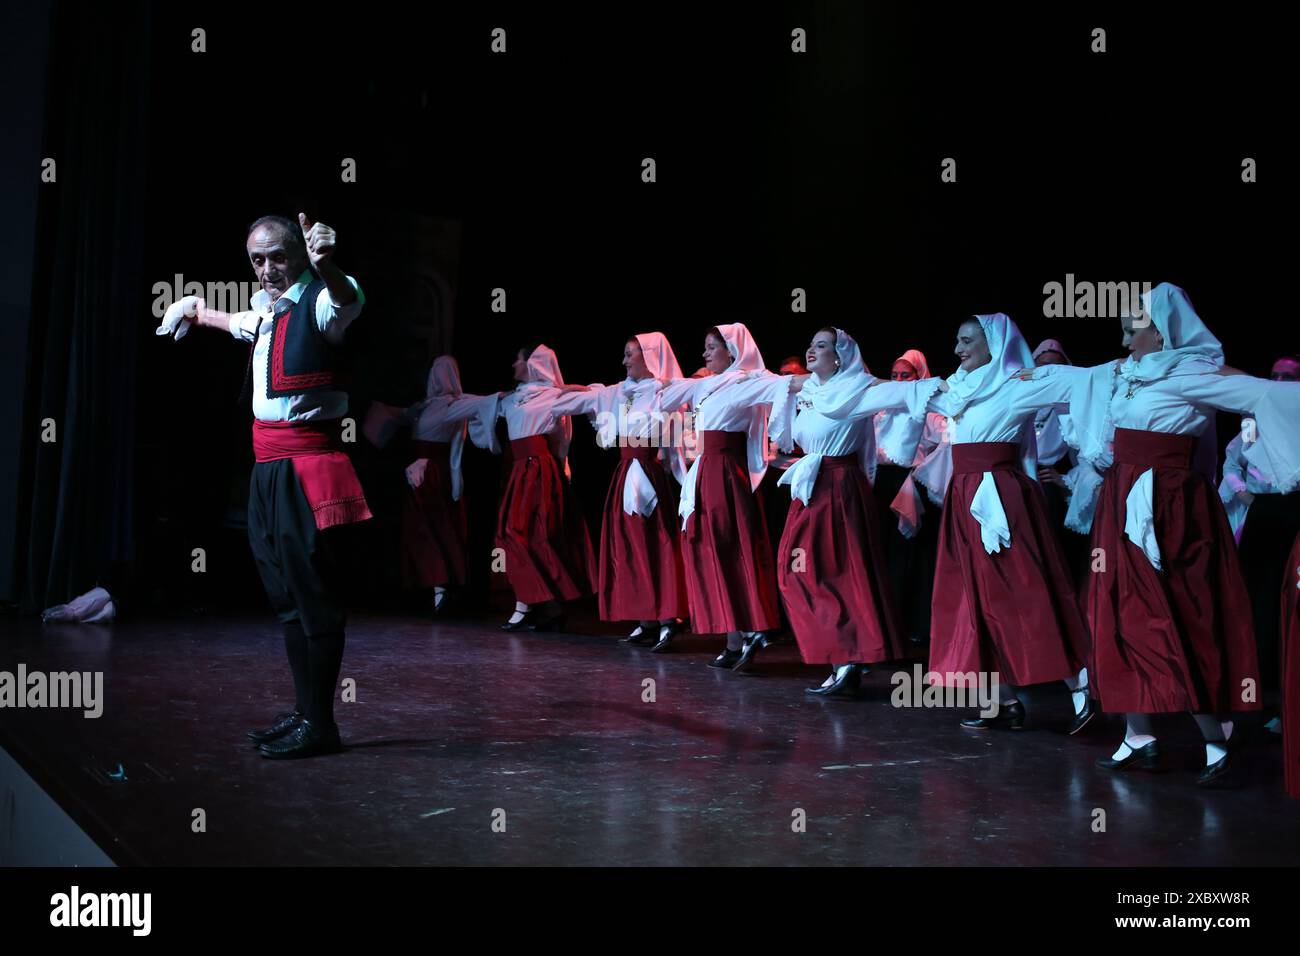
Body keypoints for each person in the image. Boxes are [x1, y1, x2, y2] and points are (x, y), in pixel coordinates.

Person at [1018, 283, 1300, 784]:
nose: (1124, 341)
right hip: (1121, 500)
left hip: (1165, 504)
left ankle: (1214, 736)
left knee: (1162, 614)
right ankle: (1138, 734)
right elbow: (1071, 378)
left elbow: (1262, 393)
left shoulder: (1193, 374)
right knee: (1113, 609)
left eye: (1131, 331)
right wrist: (1013, 377)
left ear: (1160, 330)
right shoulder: (1125, 374)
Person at [156, 213, 367, 759]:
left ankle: (322, 723)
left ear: (299, 253)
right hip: (267, 470)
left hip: (306, 469)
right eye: (257, 259)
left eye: (278, 256)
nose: (268, 268)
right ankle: (304, 713)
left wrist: (330, 267)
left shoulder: (321, 302)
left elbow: (345, 301)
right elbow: (239, 323)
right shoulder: (267, 313)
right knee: (286, 598)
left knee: (314, 596)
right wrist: (196, 311)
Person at [827, 314, 1092, 731]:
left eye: (967, 340)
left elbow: (1087, 382)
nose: (957, 349)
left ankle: (1080, 684)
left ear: (994, 344)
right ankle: (1002, 701)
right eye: (956, 341)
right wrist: (840, 387)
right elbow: (897, 394)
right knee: (973, 598)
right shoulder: (955, 389)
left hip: (1003, 497)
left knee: (1025, 591)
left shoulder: (1019, 383)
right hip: (964, 497)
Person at [768, 328, 938, 696]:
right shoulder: (809, 389)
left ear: (840, 356)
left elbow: (909, 392)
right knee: (795, 571)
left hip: (838, 486)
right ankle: (843, 656)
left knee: (835, 572)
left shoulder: (860, 389)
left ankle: (847, 658)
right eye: (810, 344)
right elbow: (758, 385)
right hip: (811, 486)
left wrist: (961, 388)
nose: (812, 351)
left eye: (822, 346)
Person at [547, 334, 690, 650]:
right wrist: (550, 392)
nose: (624, 361)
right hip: (625, 472)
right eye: (624, 355)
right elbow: (587, 397)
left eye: (630, 355)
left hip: (648, 472)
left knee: (655, 544)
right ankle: (646, 618)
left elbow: (681, 427)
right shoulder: (622, 393)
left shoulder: (663, 391)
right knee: (629, 545)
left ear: (649, 357)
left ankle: (669, 618)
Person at [654, 324, 782, 671]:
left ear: (732, 351)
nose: (705, 353)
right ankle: (734, 638)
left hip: (727, 472)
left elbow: (786, 386)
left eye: (712, 347)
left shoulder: (747, 381)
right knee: (709, 548)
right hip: (706, 471)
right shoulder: (704, 386)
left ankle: (753, 628)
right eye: (706, 347)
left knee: (730, 546)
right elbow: (663, 395)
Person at [453, 344, 596, 631]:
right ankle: (545, 605)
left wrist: (570, 388)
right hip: (520, 470)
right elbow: (474, 404)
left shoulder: (551, 397)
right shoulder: (512, 399)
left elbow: (593, 396)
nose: (513, 365)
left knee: (525, 535)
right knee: (510, 536)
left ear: (532, 365)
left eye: (518, 360)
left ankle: (530, 606)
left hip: (539, 470)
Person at [872, 349, 947, 645]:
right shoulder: (882, 408)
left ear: (919, 377)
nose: (900, 381)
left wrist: (923, 474)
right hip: (882, 484)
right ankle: (889, 625)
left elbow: (947, 442)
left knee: (915, 556)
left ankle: (917, 624)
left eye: (906, 375)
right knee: (885, 554)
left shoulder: (929, 411)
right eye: (895, 376)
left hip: (914, 483)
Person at [401, 356, 469, 616]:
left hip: (432, 474)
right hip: (416, 473)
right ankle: (428, 589)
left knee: (431, 529)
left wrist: (455, 482)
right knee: (418, 530)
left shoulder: (454, 406)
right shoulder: (424, 406)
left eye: (440, 371)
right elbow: (401, 418)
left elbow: (456, 448)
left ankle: (440, 589)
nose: (435, 376)